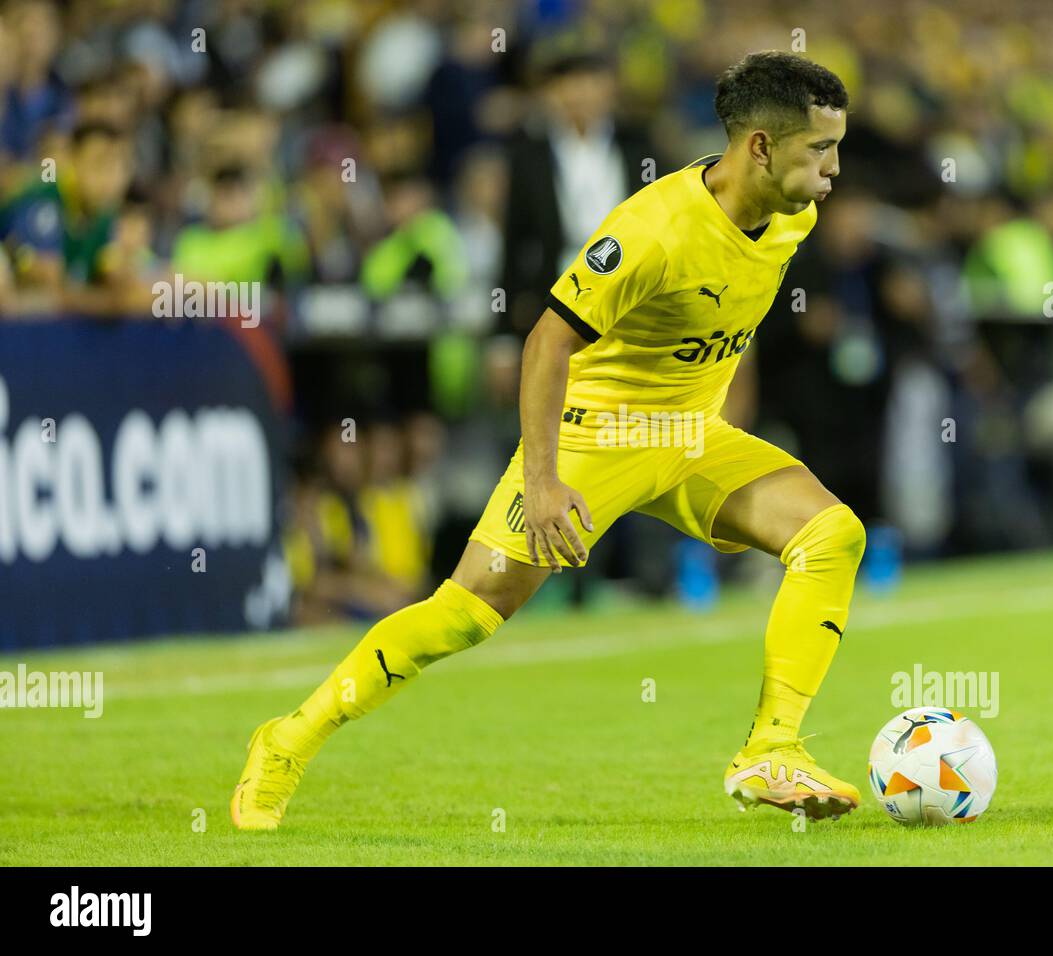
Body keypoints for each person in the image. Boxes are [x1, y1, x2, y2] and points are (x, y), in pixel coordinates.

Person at [232, 51, 864, 830]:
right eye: (820, 149)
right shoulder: (653, 231)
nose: (835, 168)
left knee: (832, 534)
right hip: (595, 435)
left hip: (692, 435)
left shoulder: (792, 212)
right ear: (761, 148)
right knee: (466, 612)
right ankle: (290, 738)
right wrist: (541, 481)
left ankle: (773, 748)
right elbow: (545, 343)